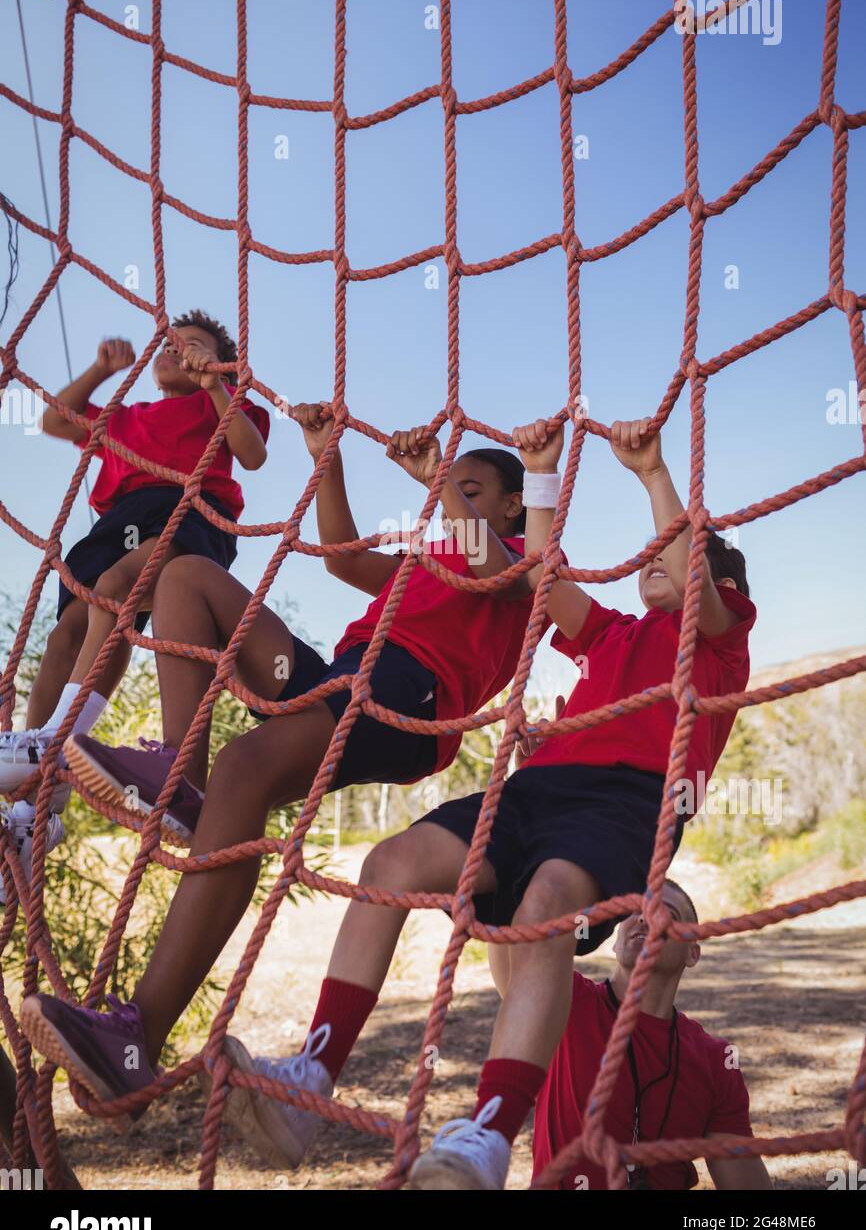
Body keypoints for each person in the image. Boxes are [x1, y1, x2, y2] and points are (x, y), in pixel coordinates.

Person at [96, 412, 754, 1190]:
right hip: (528, 784)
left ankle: (487, 1132)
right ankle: (314, 1075)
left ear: (724, 585)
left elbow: (526, 565)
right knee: (392, 860)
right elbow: (540, 567)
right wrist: (539, 471)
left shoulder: (719, 642)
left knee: (546, 905)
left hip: (626, 802)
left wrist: (649, 476)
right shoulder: (609, 631)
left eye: (679, 559)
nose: (653, 560)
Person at [21, 408, 548, 1119]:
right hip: (345, 676)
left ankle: (138, 1033)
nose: (451, 500)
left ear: (512, 505)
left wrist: (435, 483)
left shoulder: (525, 564)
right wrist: (323, 455)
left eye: (472, 489)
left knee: (248, 768)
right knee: (184, 577)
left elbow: (497, 571)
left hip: (407, 697)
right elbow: (339, 558)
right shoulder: (423, 564)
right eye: (450, 491)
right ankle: (182, 774)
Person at [0, 313, 269, 902]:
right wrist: (101, 369)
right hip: (116, 522)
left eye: (193, 347)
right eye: (171, 346)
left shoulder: (219, 404)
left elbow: (253, 456)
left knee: (121, 585)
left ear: (218, 363)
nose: (180, 353)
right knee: (67, 631)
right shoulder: (125, 418)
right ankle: (36, 806)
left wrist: (216, 384)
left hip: (185, 508)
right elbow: (52, 420)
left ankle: (58, 738)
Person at [498, 878, 772, 1190]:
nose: (644, 917)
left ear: (692, 954)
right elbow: (510, 949)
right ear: (614, 943)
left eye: (666, 912)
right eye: (632, 910)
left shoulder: (715, 1061)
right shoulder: (567, 1001)